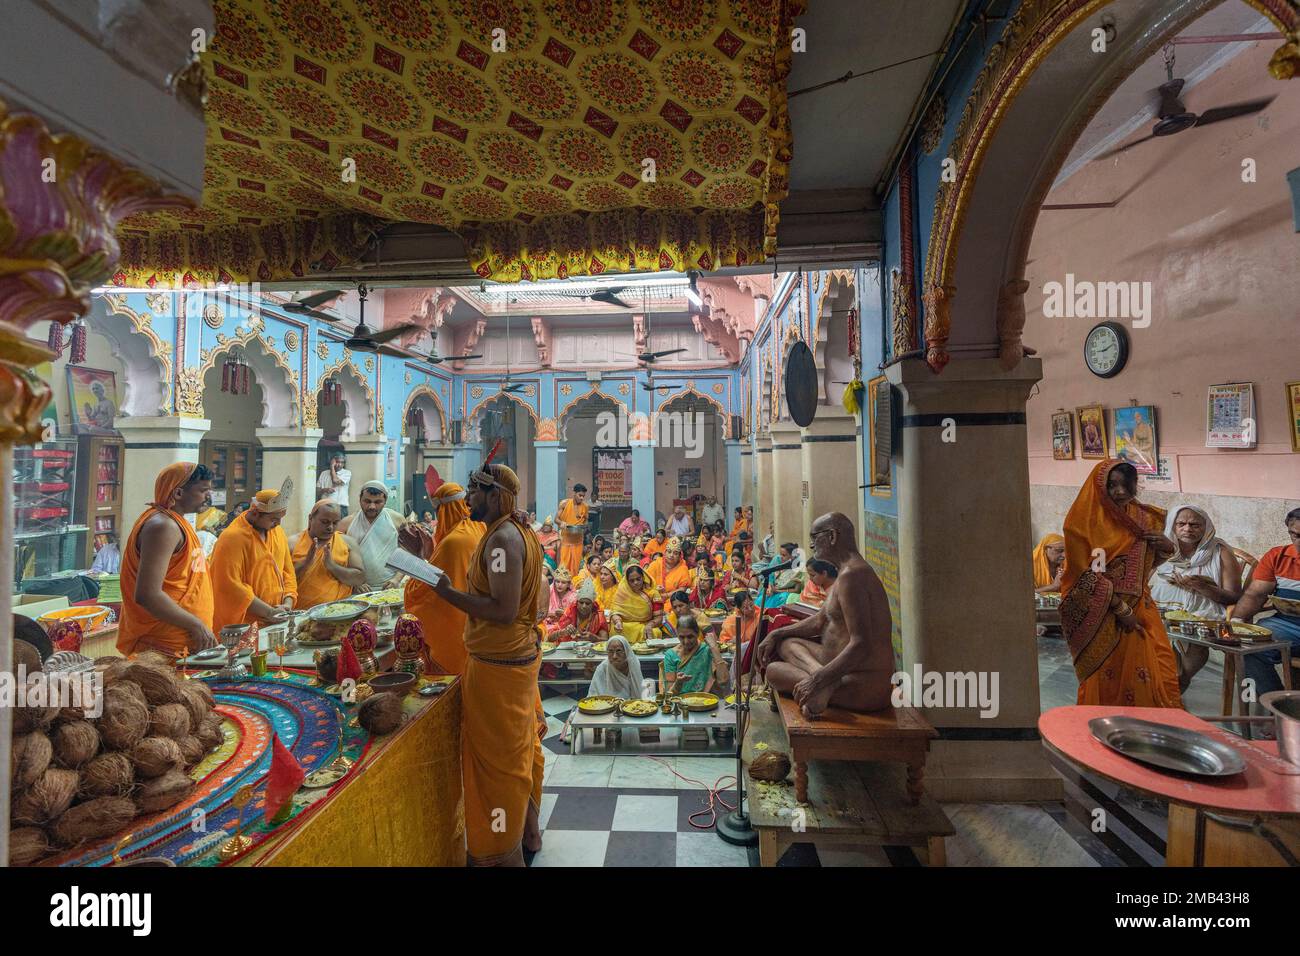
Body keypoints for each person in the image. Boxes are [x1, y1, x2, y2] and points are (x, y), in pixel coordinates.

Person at [431, 463, 545, 866]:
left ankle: (500, 852)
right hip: (514, 658)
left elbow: (502, 609)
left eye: (475, 491)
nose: (468, 499)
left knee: (495, 767)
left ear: (496, 496)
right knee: (516, 753)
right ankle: (527, 834)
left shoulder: (500, 542)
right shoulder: (520, 532)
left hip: (498, 664)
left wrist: (447, 592)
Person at [1058, 460, 1181, 708]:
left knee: (1160, 669)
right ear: (1099, 486)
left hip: (1142, 608)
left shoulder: (1144, 518)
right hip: (1103, 614)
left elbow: (1146, 565)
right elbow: (1086, 576)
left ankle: (1150, 731)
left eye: (1127, 484)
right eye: (1112, 485)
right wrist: (1122, 610)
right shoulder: (1082, 525)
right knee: (1107, 677)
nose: (1121, 492)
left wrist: (1168, 548)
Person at [758, 513, 895, 718]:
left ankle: (824, 684)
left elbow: (862, 644)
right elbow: (819, 621)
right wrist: (776, 634)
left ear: (832, 536)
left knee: (774, 671)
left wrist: (817, 681)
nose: (811, 545)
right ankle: (828, 684)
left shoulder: (853, 576)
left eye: (814, 538)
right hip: (837, 670)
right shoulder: (844, 573)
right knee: (786, 643)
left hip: (863, 684)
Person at [118, 463, 216, 658]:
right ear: (178, 493)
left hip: (185, 638)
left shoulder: (177, 523)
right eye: (203, 490)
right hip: (165, 642)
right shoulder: (163, 526)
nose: (208, 496)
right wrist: (195, 624)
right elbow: (148, 594)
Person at [1148, 504, 1242, 691]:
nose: (1187, 529)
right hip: (1159, 610)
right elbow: (1143, 581)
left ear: (1206, 526)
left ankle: (1177, 684)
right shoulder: (1163, 549)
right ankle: (1159, 686)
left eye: (1194, 525)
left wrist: (1201, 587)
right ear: (1172, 526)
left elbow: (1233, 596)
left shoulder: (1220, 551)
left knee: (1196, 642)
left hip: (1202, 613)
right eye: (1181, 524)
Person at [401, 482, 486, 675]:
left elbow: (425, 591)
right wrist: (430, 552)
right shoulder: (478, 526)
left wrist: (417, 557)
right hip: (478, 617)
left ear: (443, 510)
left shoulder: (452, 542)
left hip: (456, 620)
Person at [1228, 508, 1300, 700]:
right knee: (1248, 647)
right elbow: (1255, 594)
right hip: (1286, 624)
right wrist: (1236, 622)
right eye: (1295, 535)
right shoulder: (1277, 557)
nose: (1299, 542)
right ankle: (1279, 710)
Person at [210, 482, 298, 634]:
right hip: (244, 626)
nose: (278, 524)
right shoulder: (232, 538)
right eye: (274, 519)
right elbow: (230, 586)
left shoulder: (277, 532)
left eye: (280, 518)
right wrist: (269, 612)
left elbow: (287, 573)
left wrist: (287, 603)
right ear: (256, 513)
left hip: (277, 619)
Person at [289, 499, 366, 610]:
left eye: (335, 523)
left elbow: (359, 579)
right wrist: (306, 563)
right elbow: (281, 583)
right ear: (310, 519)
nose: (330, 527)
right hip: (303, 614)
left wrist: (332, 566)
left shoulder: (348, 543)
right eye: (325, 522)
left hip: (342, 610)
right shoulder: (292, 544)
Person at [339, 480, 406, 588]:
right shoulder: (346, 524)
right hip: (358, 590)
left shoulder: (397, 520)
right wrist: (353, 581)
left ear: (385, 501)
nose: (372, 507)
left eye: (377, 502)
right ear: (360, 499)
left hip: (390, 587)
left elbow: (407, 554)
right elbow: (338, 559)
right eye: (367, 501)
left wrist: (396, 579)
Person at [663, 615, 728, 694]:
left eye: (690, 637)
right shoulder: (671, 655)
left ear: (697, 633)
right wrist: (678, 683)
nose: (686, 642)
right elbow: (669, 693)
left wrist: (714, 648)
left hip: (705, 701)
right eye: (682, 637)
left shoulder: (707, 650)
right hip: (680, 702)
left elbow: (723, 681)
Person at [608, 564, 663, 643]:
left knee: (655, 632)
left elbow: (659, 618)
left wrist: (650, 625)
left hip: (645, 625)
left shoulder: (652, 593)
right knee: (615, 629)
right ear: (627, 581)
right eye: (632, 580)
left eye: (638, 579)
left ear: (643, 577)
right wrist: (618, 622)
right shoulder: (622, 592)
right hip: (627, 626)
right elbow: (615, 612)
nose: (636, 583)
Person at [585, 634, 646, 699]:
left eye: (619, 651)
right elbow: (594, 695)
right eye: (610, 651)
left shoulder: (633, 663)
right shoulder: (602, 668)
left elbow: (639, 690)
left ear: (626, 652)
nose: (614, 656)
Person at [552, 578, 608, 643]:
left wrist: (595, 638)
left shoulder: (598, 616)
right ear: (577, 603)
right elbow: (550, 638)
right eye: (581, 603)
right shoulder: (570, 613)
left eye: (587, 603)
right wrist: (564, 632)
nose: (584, 606)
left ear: (592, 605)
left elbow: (606, 641)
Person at [555, 483, 589, 575]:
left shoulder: (585, 506)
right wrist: (561, 523)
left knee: (575, 567)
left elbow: (586, 521)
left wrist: (584, 527)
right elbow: (556, 519)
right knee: (563, 565)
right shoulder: (564, 503)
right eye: (580, 495)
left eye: (583, 496)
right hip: (566, 539)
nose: (582, 498)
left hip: (578, 540)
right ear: (574, 493)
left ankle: (572, 586)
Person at [721, 588, 761, 654]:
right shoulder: (731, 621)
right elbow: (723, 642)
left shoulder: (761, 615)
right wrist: (731, 641)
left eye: (751, 605)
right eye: (745, 608)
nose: (750, 609)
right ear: (739, 609)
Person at [544, 566, 577, 630]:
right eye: (557, 581)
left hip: (566, 625)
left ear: (568, 584)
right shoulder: (549, 591)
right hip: (548, 623)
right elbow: (542, 611)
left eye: (563, 582)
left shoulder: (573, 597)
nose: (559, 585)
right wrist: (549, 614)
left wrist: (564, 614)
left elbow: (575, 617)